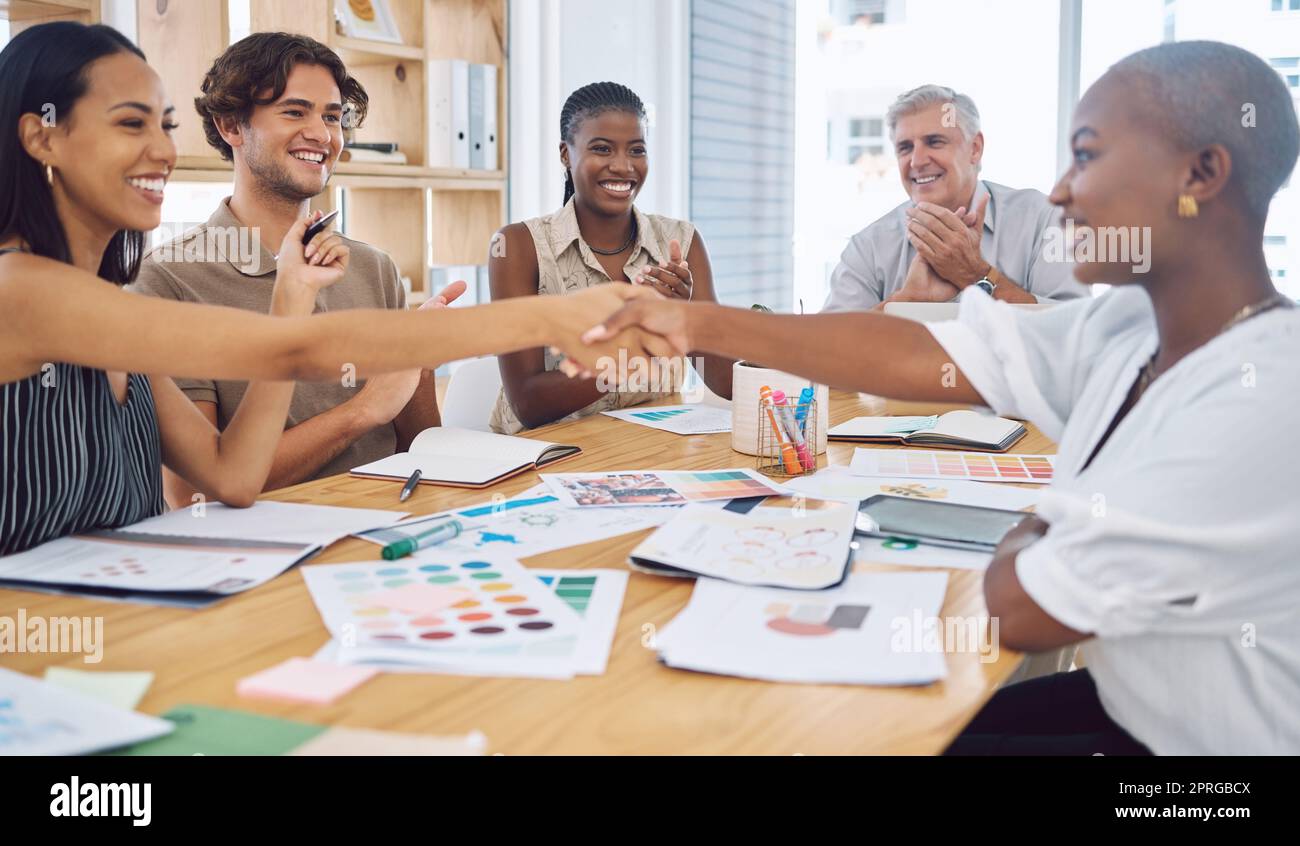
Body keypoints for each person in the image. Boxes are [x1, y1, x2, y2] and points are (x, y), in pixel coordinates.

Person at [567, 42, 1300, 755]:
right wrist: (697, 322)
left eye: (1086, 154)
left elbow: (1022, 608)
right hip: (1129, 702)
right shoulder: (1128, 325)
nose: (1060, 190)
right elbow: (922, 351)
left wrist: (1047, 517)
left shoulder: (1262, 395)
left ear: (1201, 172)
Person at [0, 22, 660, 557]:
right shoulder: (23, 291)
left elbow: (231, 477)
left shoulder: (106, 308)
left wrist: (290, 299)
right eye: (130, 124)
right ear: (42, 136)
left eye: (164, 125)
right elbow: (298, 356)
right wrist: (551, 317)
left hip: (131, 612)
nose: (163, 150)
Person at [130, 32, 462, 504]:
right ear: (230, 125)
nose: (322, 134)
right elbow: (194, 496)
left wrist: (421, 366)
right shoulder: (168, 279)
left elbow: (418, 453)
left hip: (391, 531)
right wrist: (362, 410)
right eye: (294, 111)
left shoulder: (375, 268)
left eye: (331, 115)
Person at [488, 81, 733, 435]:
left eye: (636, 150)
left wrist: (685, 318)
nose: (623, 167)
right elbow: (528, 403)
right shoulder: (518, 246)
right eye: (602, 149)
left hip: (647, 452)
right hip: (546, 458)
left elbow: (723, 384)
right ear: (565, 154)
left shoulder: (681, 241)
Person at [821, 84, 1086, 311]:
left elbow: (1073, 333)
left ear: (975, 148)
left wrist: (975, 275)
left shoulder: (1042, 218)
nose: (917, 160)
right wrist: (905, 301)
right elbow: (827, 348)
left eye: (935, 142)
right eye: (905, 147)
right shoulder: (870, 246)